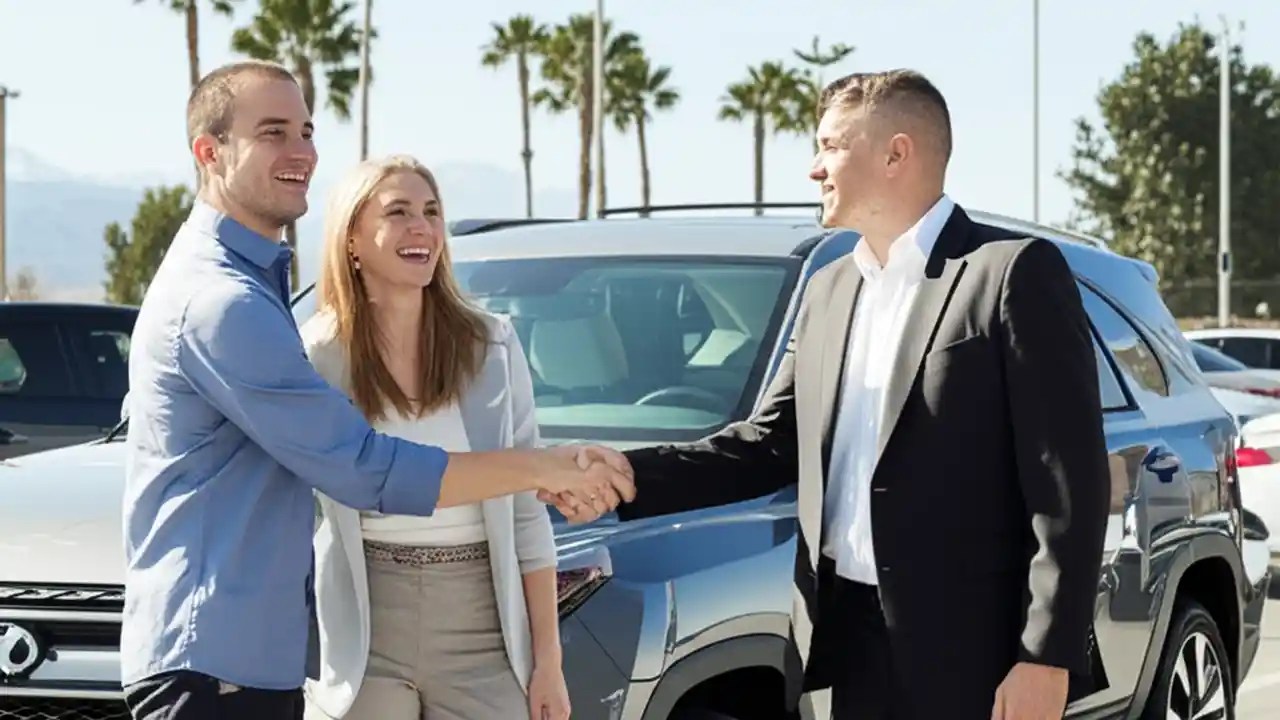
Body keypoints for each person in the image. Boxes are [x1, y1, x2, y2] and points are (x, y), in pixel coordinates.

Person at [556, 69, 1111, 719]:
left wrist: (1045, 657)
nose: (814, 169)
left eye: (830, 146)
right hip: (848, 645)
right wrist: (626, 474)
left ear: (896, 153)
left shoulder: (1011, 272)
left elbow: (1067, 484)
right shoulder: (829, 290)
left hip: (975, 656)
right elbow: (768, 445)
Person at [121, 60, 629, 720]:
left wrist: (546, 653)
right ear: (208, 152)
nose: (301, 151)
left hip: (249, 660)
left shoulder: (250, 291)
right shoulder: (225, 303)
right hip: (220, 665)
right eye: (272, 132)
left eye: (306, 132)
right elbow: (363, 468)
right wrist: (541, 468)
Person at [297, 154, 571, 720]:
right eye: (398, 212)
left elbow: (526, 513)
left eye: (431, 212)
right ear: (352, 238)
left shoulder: (491, 346)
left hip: (484, 629)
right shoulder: (317, 356)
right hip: (362, 631)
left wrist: (549, 661)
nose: (421, 227)